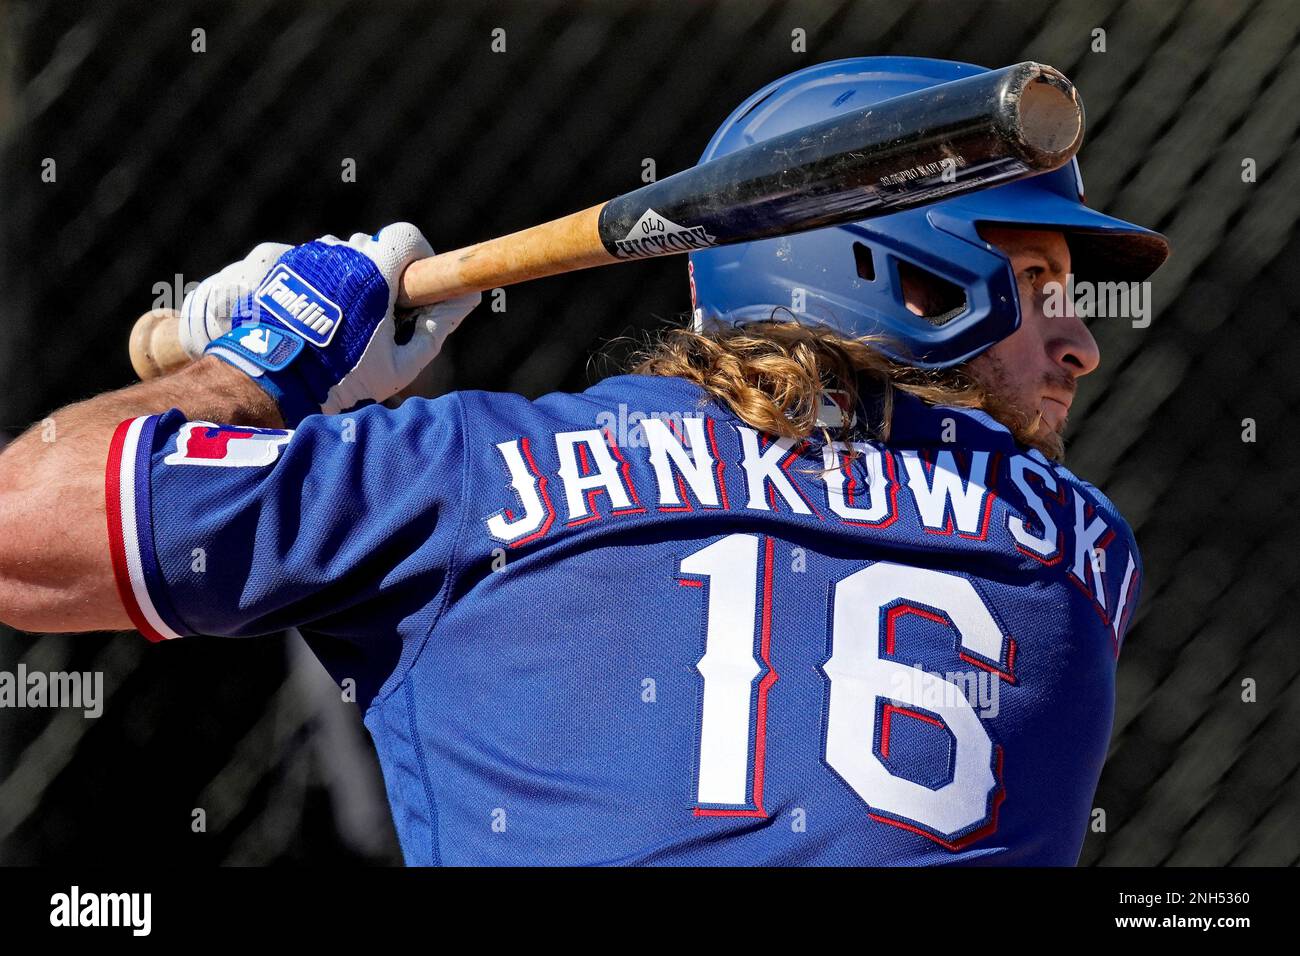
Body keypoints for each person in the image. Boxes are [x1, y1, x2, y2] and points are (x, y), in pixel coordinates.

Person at [0, 56, 1169, 865]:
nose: (1079, 342)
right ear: (901, 281)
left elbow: (24, 526)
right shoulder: (1074, 550)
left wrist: (273, 360)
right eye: (1033, 289)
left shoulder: (474, 475)